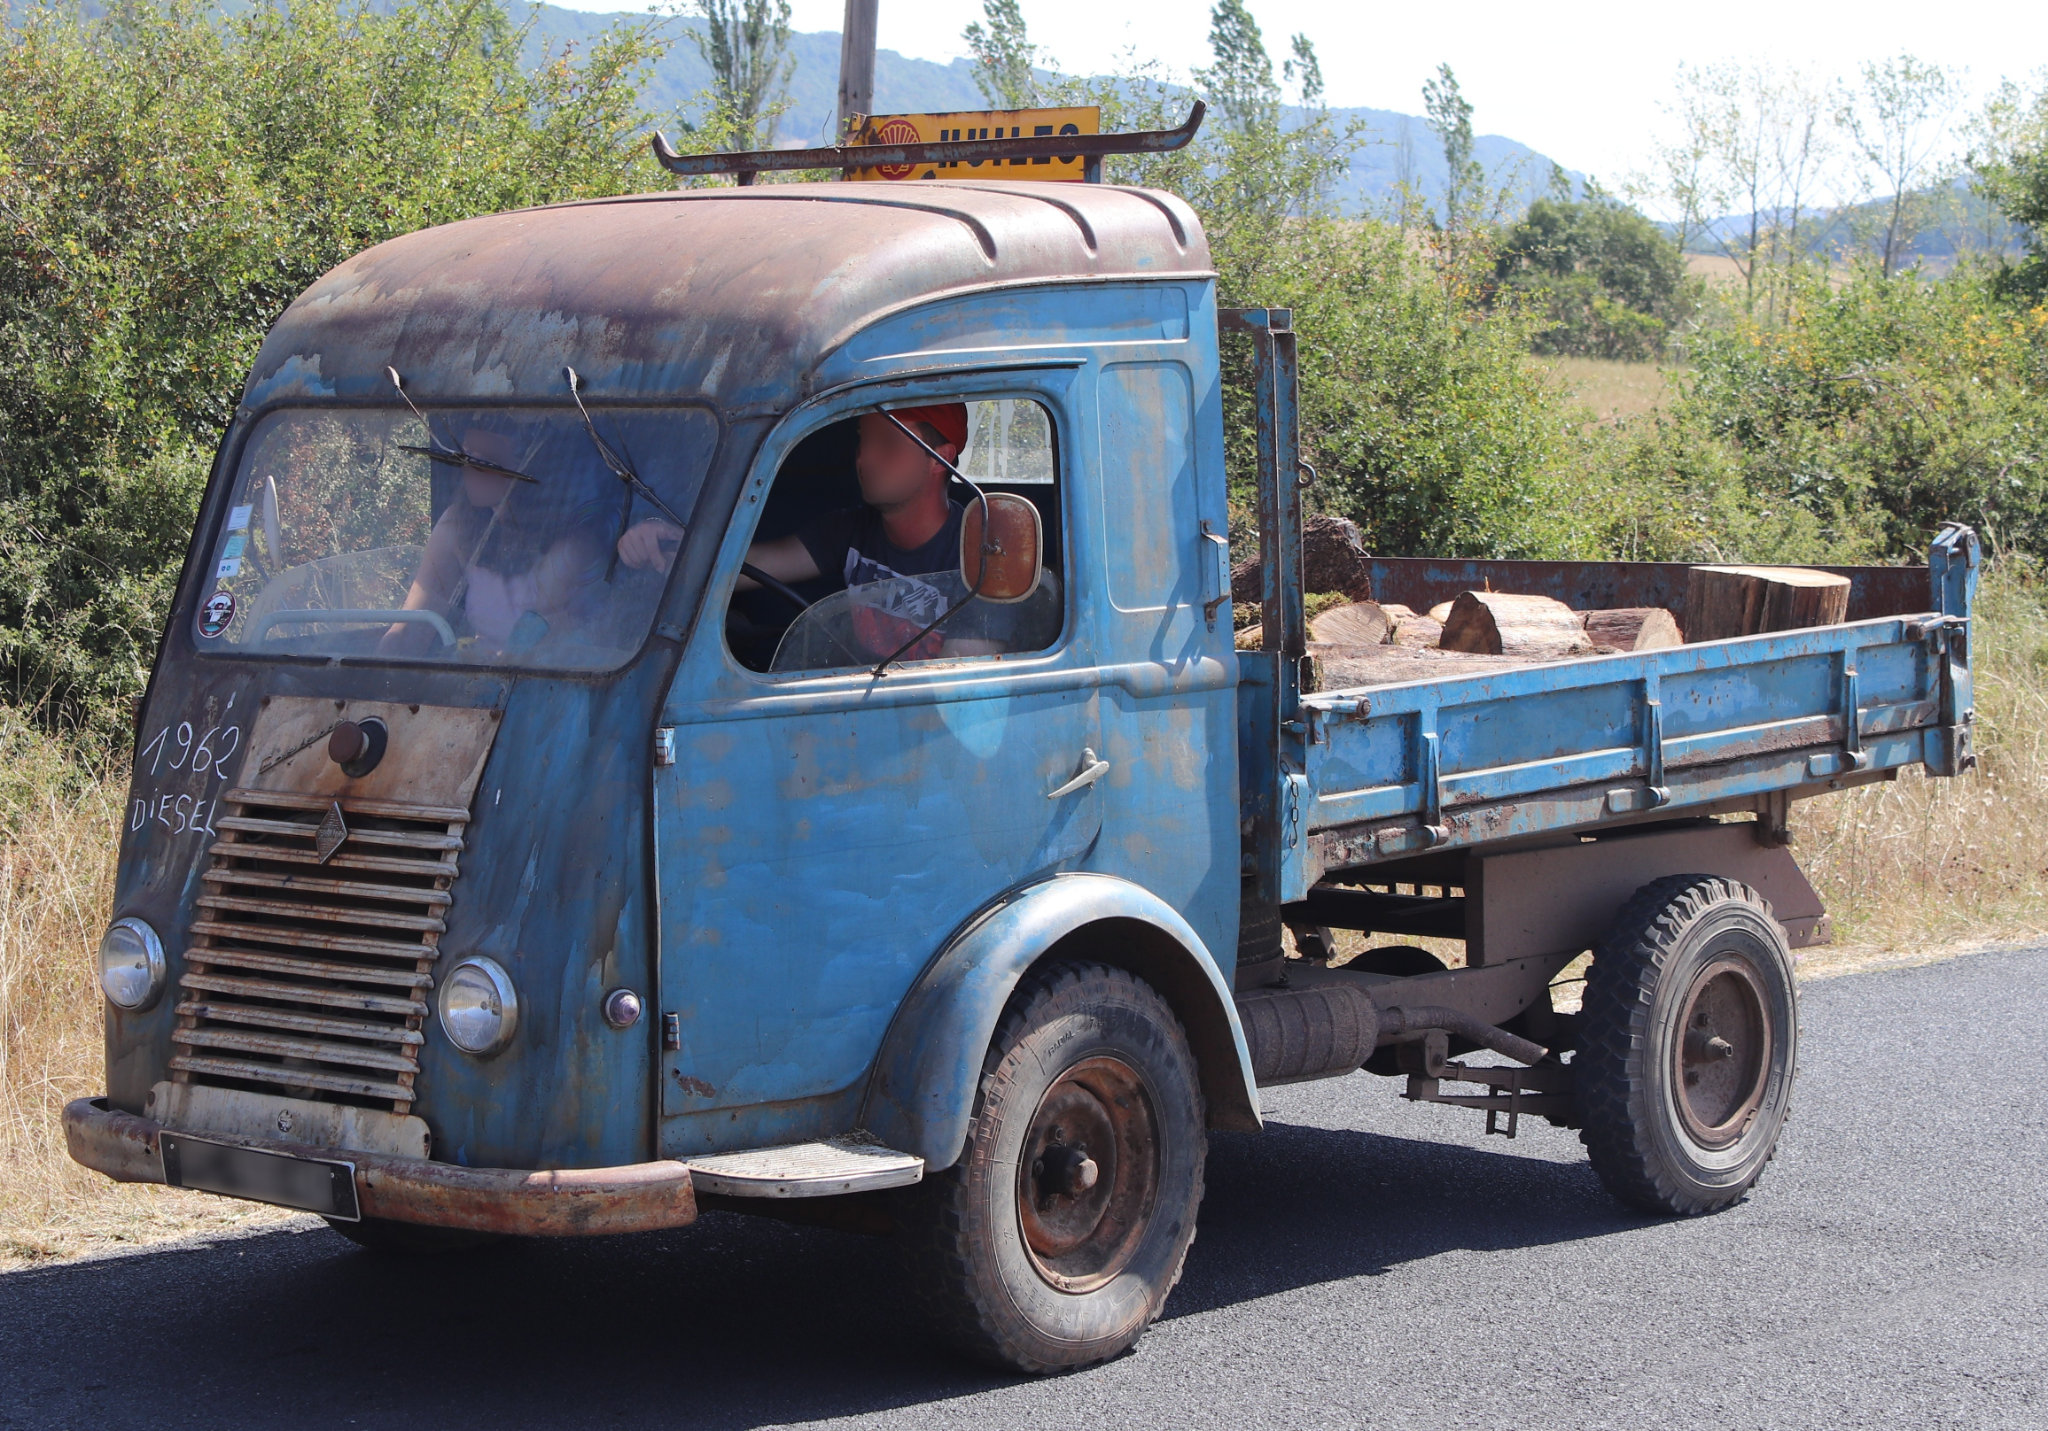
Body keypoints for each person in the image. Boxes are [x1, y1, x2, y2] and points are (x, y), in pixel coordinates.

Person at [382, 427, 613, 656]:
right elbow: (413, 623)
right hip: (478, 682)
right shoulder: (457, 524)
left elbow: (536, 650)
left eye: (484, 461)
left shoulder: (570, 549)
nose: (468, 469)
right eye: (465, 455)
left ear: (529, 465)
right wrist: (379, 673)